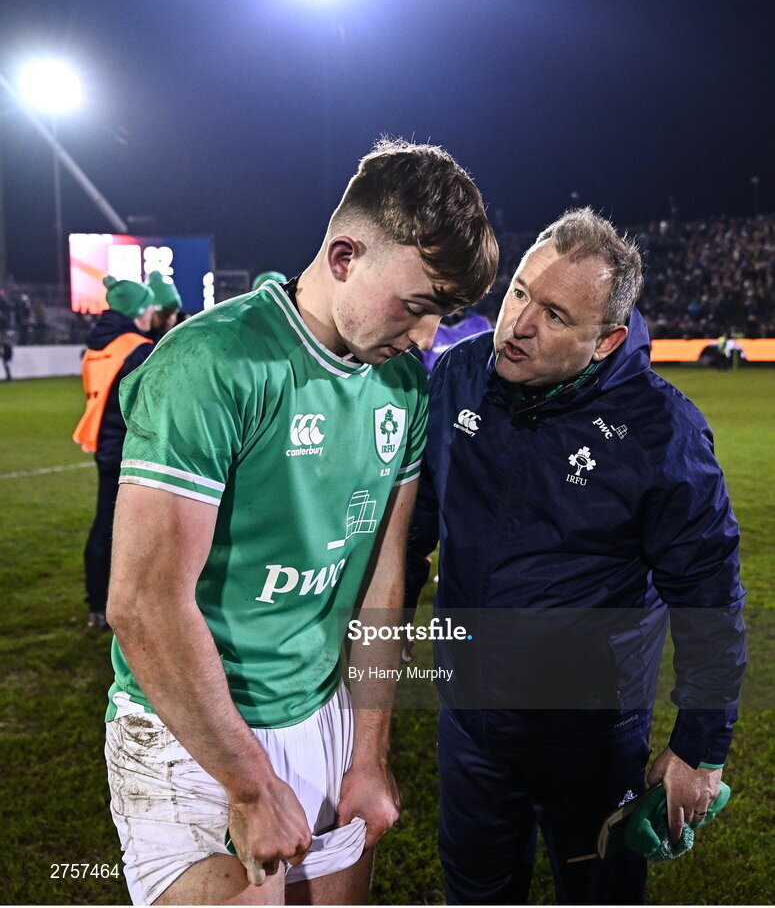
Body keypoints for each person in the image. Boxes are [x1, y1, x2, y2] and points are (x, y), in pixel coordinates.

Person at [104, 138, 499, 906]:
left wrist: (369, 753)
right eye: (419, 306)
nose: (426, 338)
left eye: (444, 315)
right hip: (188, 725)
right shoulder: (210, 366)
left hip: (321, 715)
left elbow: (386, 582)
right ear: (345, 255)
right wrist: (249, 785)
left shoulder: (401, 387)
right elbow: (143, 604)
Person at [406, 207, 745, 905]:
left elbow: (709, 600)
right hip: (467, 715)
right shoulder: (461, 376)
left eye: (555, 314)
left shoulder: (660, 434)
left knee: (598, 894)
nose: (519, 323)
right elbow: (415, 529)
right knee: (472, 890)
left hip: (590, 732)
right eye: (519, 292)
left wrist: (700, 747)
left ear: (605, 341)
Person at [72, 276, 155, 630]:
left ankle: (96, 604)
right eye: (148, 306)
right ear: (138, 309)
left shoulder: (95, 346)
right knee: (132, 533)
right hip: (131, 450)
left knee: (104, 524)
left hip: (104, 446)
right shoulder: (138, 347)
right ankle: (126, 606)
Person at [147, 269, 182, 341]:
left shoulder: (183, 333)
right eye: (163, 315)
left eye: (173, 313)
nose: (169, 320)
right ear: (150, 313)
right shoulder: (142, 343)